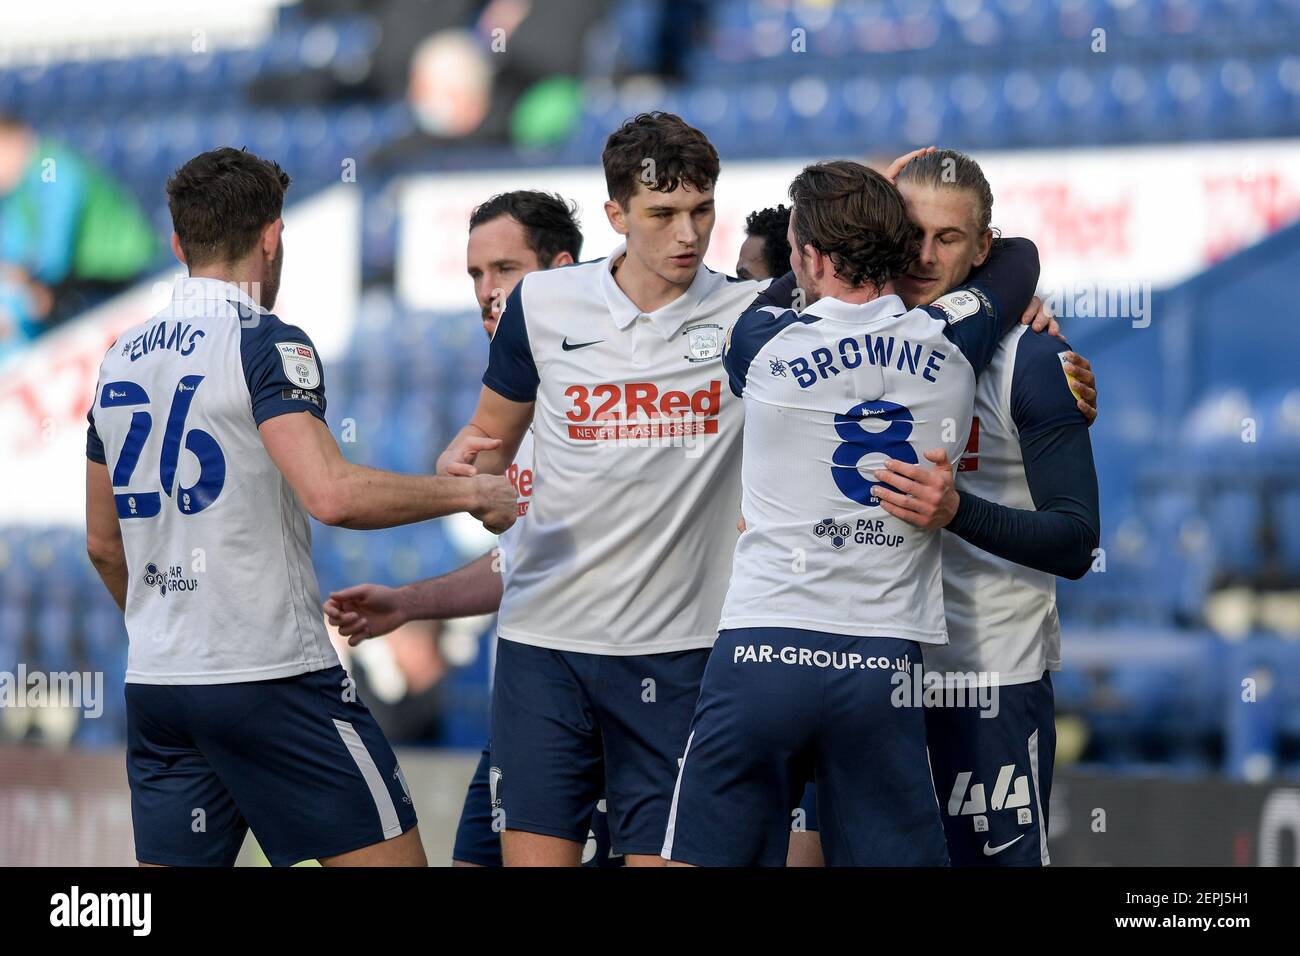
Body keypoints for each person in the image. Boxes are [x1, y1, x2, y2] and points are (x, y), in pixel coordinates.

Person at [83, 146, 517, 867]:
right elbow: (332, 493)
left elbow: (102, 544)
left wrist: (171, 629)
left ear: (177, 243)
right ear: (272, 237)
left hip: (160, 687)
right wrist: (472, 490)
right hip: (270, 681)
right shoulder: (263, 340)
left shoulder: (118, 357)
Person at [662, 159, 1040, 866]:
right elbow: (1018, 259)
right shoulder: (954, 342)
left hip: (761, 653)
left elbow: (775, 293)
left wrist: (806, 258)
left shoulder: (763, 341)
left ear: (808, 254)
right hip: (881, 661)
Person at [323, 189, 622, 867]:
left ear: (560, 267)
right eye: (475, 275)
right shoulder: (510, 399)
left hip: (611, 702)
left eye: (505, 271)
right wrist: (408, 603)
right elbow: (529, 559)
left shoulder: (606, 390)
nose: (488, 292)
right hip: (525, 700)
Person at [872, 148, 1102, 866]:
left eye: (948, 239)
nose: (924, 255)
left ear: (983, 249)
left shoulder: (1029, 359)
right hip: (864, 673)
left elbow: (1076, 542)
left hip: (987, 677)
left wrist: (958, 511)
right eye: (912, 234)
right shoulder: (844, 340)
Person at [0, 113, 156, 354]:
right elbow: (13, 248)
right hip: (74, 278)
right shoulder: (15, 189)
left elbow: (52, 253)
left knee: (23, 306)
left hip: (116, 271)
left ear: (18, 139)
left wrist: (25, 279)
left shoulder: (49, 165)